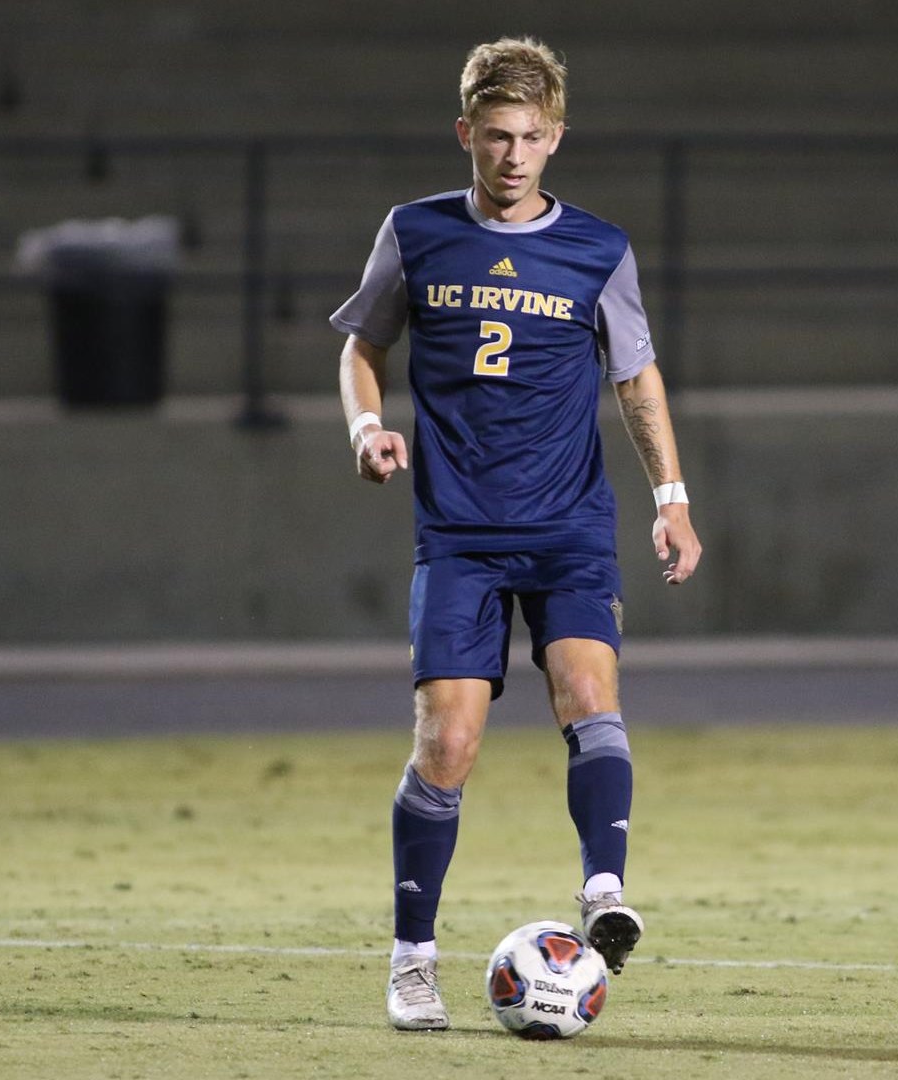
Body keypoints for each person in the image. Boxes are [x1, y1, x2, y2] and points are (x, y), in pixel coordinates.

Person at [331, 36, 702, 1032]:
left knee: (589, 689)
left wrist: (670, 494)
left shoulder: (598, 249)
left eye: (531, 137)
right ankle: (413, 960)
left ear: (556, 139)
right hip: (457, 533)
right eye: (496, 136)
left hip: (570, 524)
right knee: (448, 741)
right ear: (466, 134)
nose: (512, 155)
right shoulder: (414, 234)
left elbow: (636, 376)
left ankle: (603, 893)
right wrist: (368, 429)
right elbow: (363, 346)